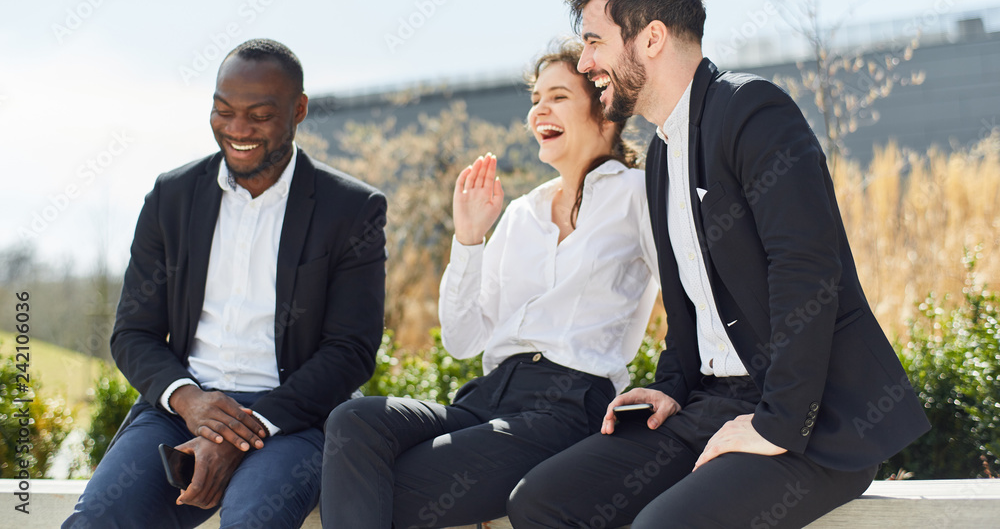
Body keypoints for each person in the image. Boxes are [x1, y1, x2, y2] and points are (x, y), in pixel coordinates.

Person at [507, 0, 931, 528]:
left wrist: (774, 424)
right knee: (541, 500)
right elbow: (698, 299)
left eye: (594, 43)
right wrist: (670, 387)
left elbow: (807, 271)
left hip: (810, 420)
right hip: (709, 405)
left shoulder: (752, 110)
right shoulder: (661, 155)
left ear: (651, 37)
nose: (585, 64)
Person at [319, 40, 659, 528]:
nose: (540, 108)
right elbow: (462, 340)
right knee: (354, 421)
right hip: (485, 400)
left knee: (372, 485)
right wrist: (469, 238)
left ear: (605, 108)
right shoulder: (522, 214)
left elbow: (690, 292)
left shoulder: (638, 196)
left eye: (559, 96)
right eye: (536, 98)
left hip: (567, 407)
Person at [64, 38, 387, 529]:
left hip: (294, 419)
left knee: (253, 521)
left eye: (259, 116)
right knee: (97, 520)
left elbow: (351, 350)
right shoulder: (170, 198)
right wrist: (191, 403)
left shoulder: (352, 209)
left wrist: (239, 432)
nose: (237, 130)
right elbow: (133, 332)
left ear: (298, 109)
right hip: (181, 406)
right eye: (223, 111)